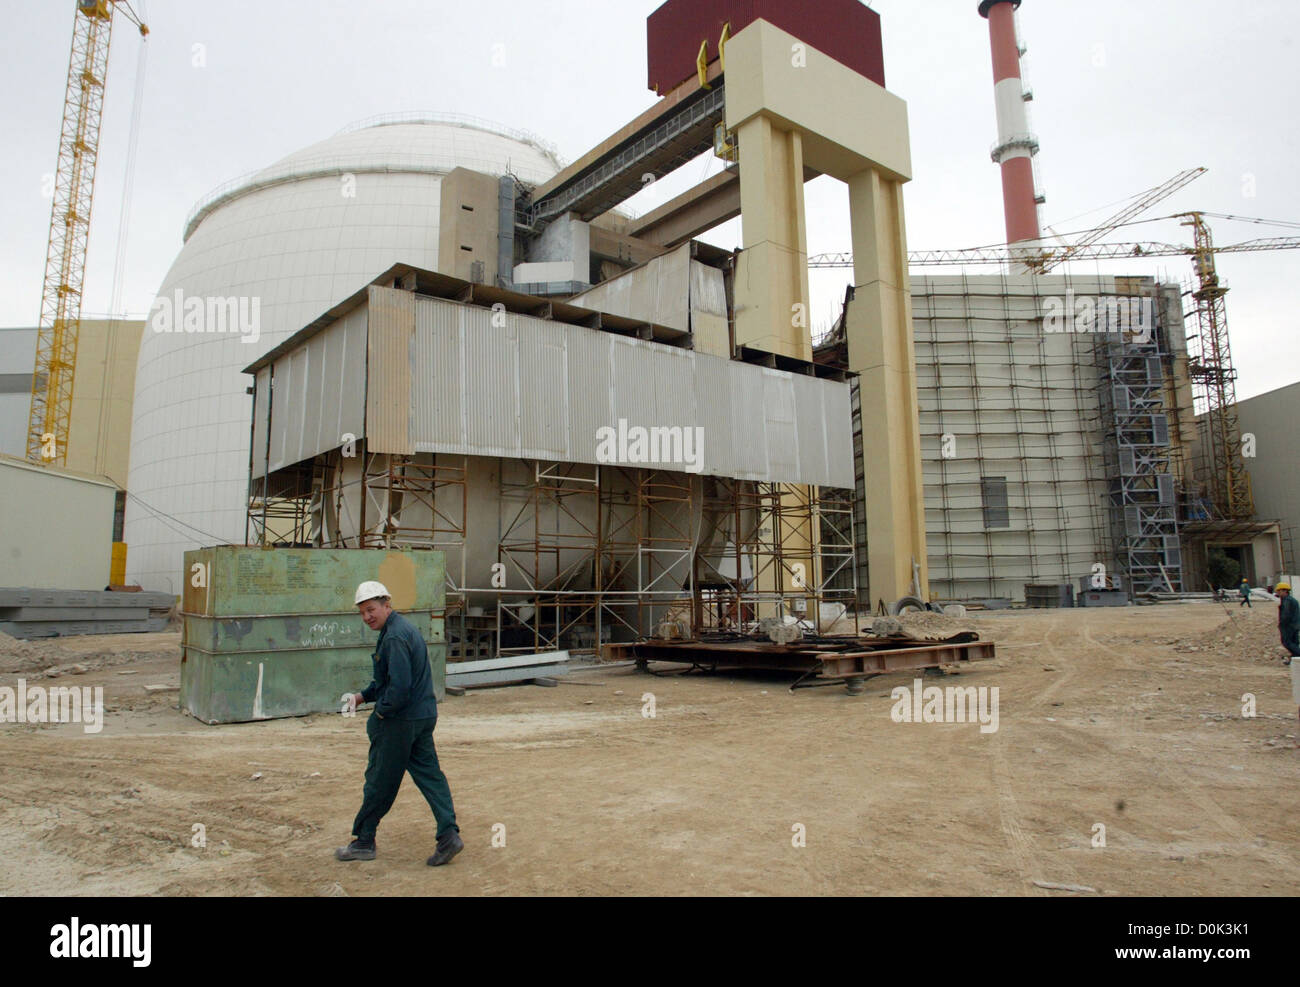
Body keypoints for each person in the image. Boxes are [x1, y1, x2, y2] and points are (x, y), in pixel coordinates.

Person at [336, 580, 463, 866]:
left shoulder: (393, 637)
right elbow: (388, 680)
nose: (367, 616)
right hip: (422, 716)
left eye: (371, 609)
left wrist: (380, 713)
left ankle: (364, 841)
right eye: (362, 612)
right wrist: (362, 696)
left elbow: (399, 687)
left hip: (400, 721)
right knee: (431, 776)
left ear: (386, 605)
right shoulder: (401, 629)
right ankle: (448, 836)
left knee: (380, 780)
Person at [1278, 582, 1300, 724]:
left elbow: (1285, 615)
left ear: (1285, 591)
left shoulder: (1287, 601)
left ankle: (1297, 656)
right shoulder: (1291, 600)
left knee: (1287, 642)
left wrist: (1281, 624)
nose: (1278, 593)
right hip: (1295, 624)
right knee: (1293, 642)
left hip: (1289, 625)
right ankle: (1295, 656)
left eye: (1280, 591)